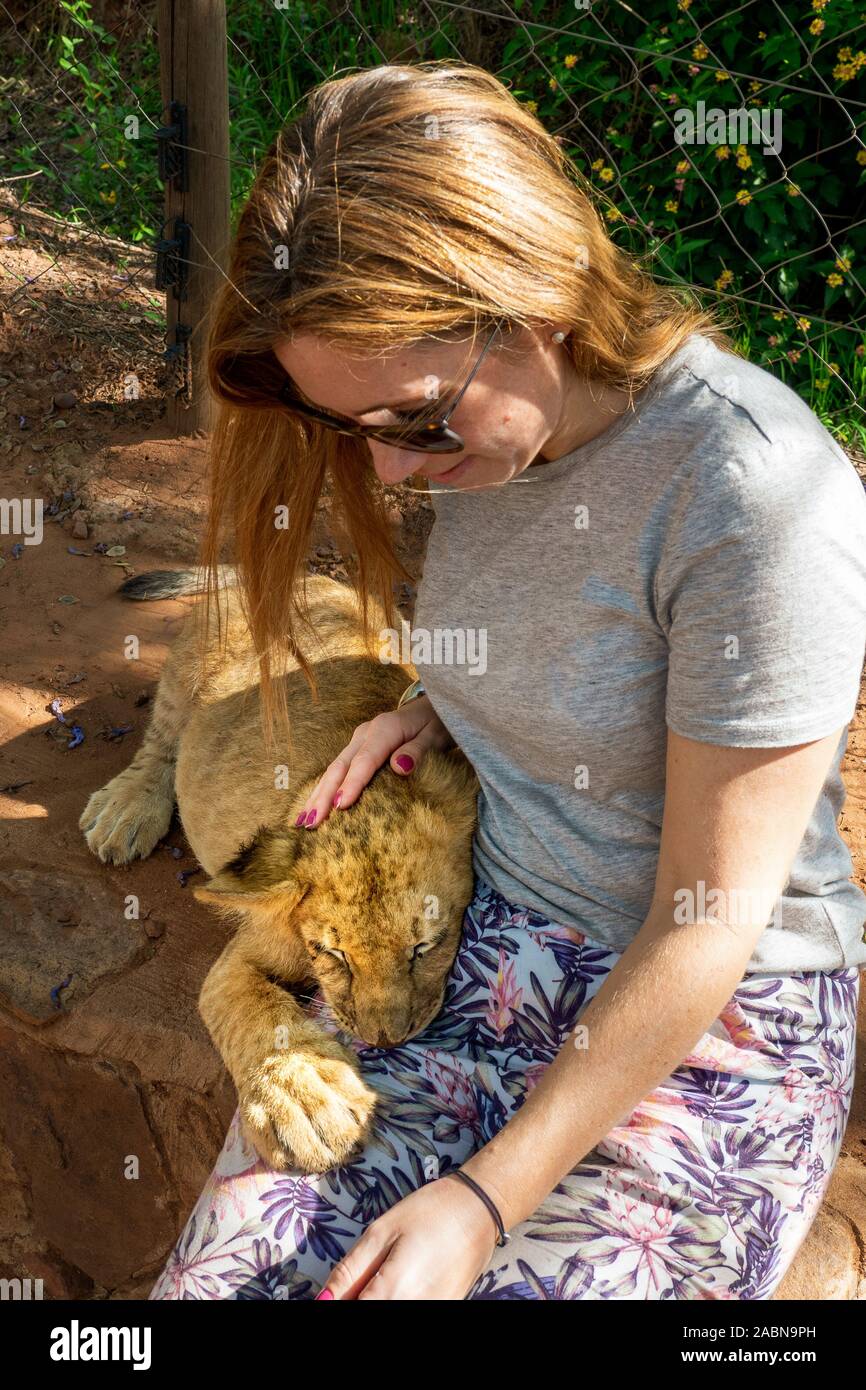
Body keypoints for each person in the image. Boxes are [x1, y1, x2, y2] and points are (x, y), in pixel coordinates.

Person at [149, 60, 866, 1301]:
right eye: (351, 432)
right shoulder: (483, 443)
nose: (384, 479)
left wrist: (485, 1200)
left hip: (701, 1015)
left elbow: (713, 916)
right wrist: (436, 708)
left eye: (414, 421)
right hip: (480, 948)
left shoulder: (750, 499)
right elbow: (587, 655)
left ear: (536, 296)